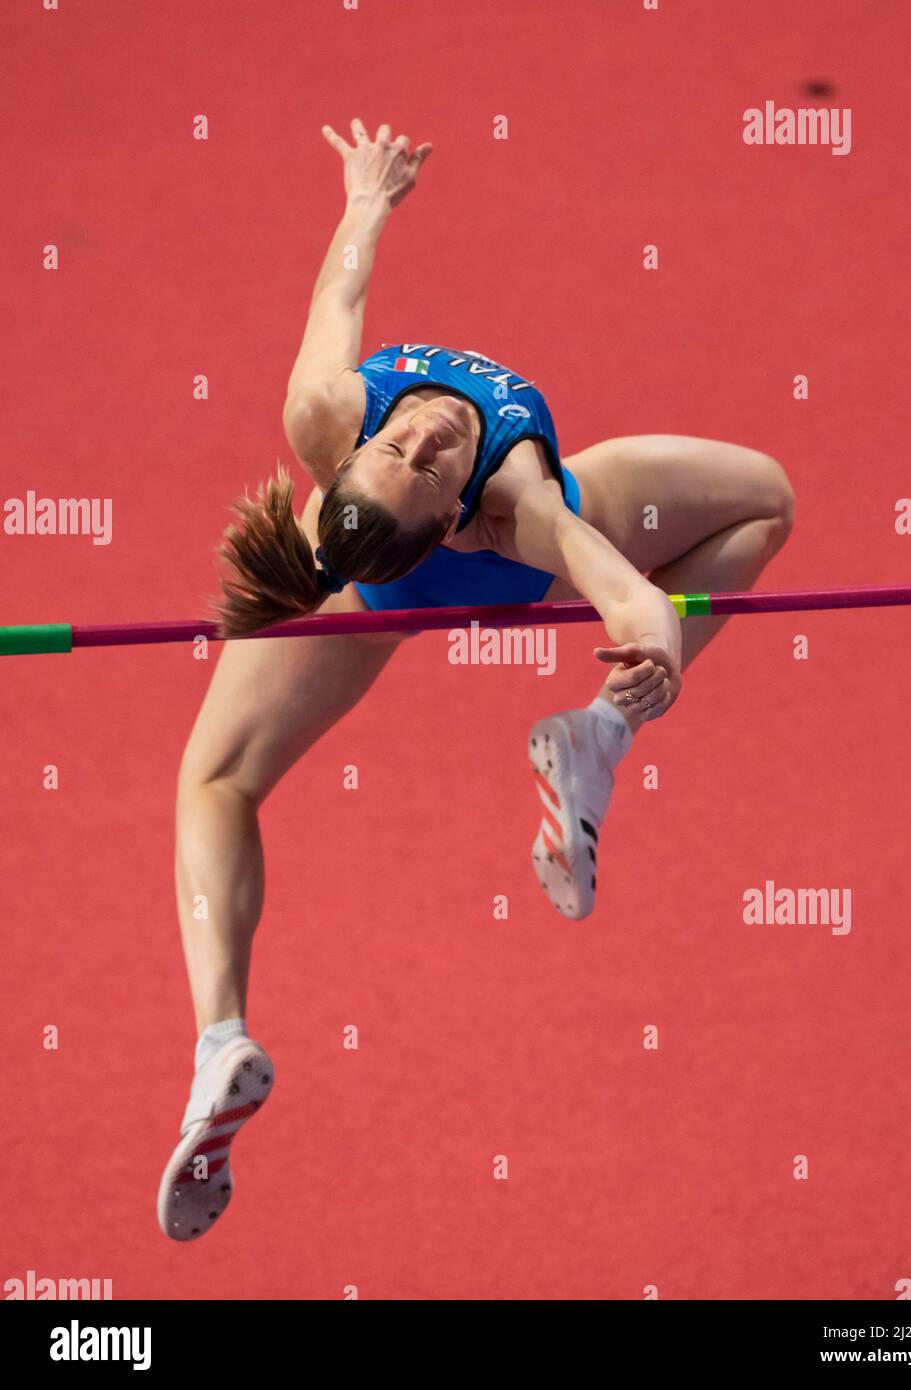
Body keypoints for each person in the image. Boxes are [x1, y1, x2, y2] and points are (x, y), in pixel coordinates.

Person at [158, 119, 794, 1241]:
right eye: (419, 459)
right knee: (764, 501)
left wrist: (368, 199)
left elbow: (342, 291)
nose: (430, 436)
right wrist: (651, 661)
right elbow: (618, 585)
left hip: (423, 583)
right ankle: (222, 1049)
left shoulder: (410, 454)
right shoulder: (477, 488)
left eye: (416, 454)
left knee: (219, 783)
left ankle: (223, 1038)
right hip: (442, 583)